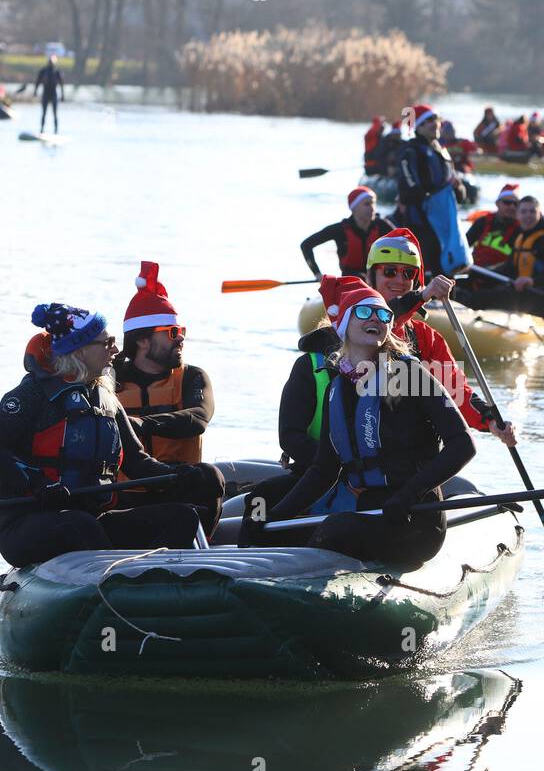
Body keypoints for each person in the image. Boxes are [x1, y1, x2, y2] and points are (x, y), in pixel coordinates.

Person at [239, 280, 476, 568]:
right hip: (368, 511)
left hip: (414, 517)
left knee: (335, 530)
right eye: (364, 312)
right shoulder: (336, 389)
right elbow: (323, 470)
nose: (376, 318)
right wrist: (276, 515)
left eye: (384, 315)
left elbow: (463, 445)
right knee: (262, 519)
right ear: (343, 326)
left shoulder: (410, 374)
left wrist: (409, 494)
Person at [0, 303, 216, 567]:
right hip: (26, 524)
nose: (115, 349)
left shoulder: (106, 397)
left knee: (182, 517)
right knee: (80, 525)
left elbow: (136, 462)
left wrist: (179, 477)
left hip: (89, 518)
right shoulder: (32, 395)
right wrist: (38, 484)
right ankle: (112, 585)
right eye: (107, 342)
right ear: (79, 350)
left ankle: (158, 583)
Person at [113, 261, 224, 520]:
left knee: (210, 477)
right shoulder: (108, 382)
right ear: (142, 340)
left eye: (182, 331)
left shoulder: (192, 377)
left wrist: (142, 424)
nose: (181, 338)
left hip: (178, 485)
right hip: (124, 493)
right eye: (172, 332)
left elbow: (198, 418)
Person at [454, 196, 544, 317]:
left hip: (542, 300)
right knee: (465, 284)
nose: (528, 215)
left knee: (479, 297)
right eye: (523, 212)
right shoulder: (521, 238)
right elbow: (508, 268)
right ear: (518, 215)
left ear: (539, 213)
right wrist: (477, 272)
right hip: (522, 293)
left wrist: (532, 281)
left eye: (532, 211)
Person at [396, 103, 468, 279]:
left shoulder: (441, 150)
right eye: (428, 121)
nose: (435, 123)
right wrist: (435, 193)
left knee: (450, 265)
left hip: (444, 219)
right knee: (432, 263)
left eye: (436, 119)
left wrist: (459, 188)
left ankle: (448, 300)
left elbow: (460, 195)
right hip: (421, 220)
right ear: (418, 126)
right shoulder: (411, 151)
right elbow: (410, 189)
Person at [300, 187, 396, 278]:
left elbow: (404, 242)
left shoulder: (382, 225)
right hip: (351, 282)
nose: (372, 208)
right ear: (354, 208)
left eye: (373, 203)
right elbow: (306, 245)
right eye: (367, 204)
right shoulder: (339, 229)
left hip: (376, 279)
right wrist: (317, 274)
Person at [466, 183, 522, 267]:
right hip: (475, 271)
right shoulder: (482, 222)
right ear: (497, 203)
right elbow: (464, 247)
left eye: (516, 204)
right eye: (507, 203)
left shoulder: (522, 229)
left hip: (501, 277)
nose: (512, 207)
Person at [32, 54, 65, 135]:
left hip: (53, 94)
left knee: (55, 113)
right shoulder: (43, 71)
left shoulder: (57, 71)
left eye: (52, 62)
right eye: (49, 62)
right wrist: (35, 91)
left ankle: (56, 131)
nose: (50, 63)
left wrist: (63, 95)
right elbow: (38, 82)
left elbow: (61, 84)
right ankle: (42, 130)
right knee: (43, 113)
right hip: (45, 94)